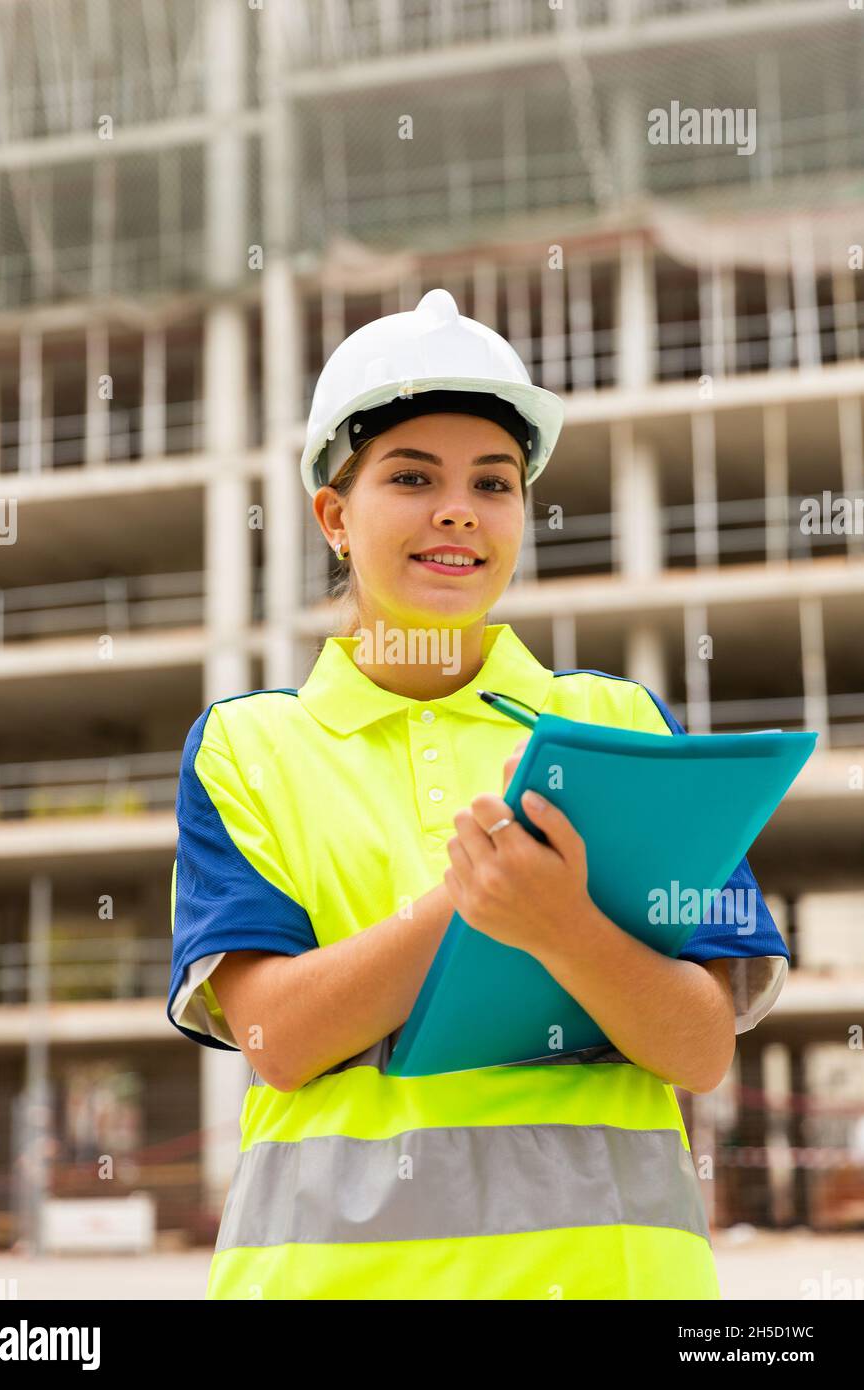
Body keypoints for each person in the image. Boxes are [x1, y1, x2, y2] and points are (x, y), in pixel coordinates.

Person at [167, 289, 789, 1299]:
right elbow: (274, 1039)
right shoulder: (251, 745)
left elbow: (701, 1046)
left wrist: (561, 926)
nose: (458, 508)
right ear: (333, 514)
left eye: (493, 483)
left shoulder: (623, 724)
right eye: (412, 476)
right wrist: (472, 901)